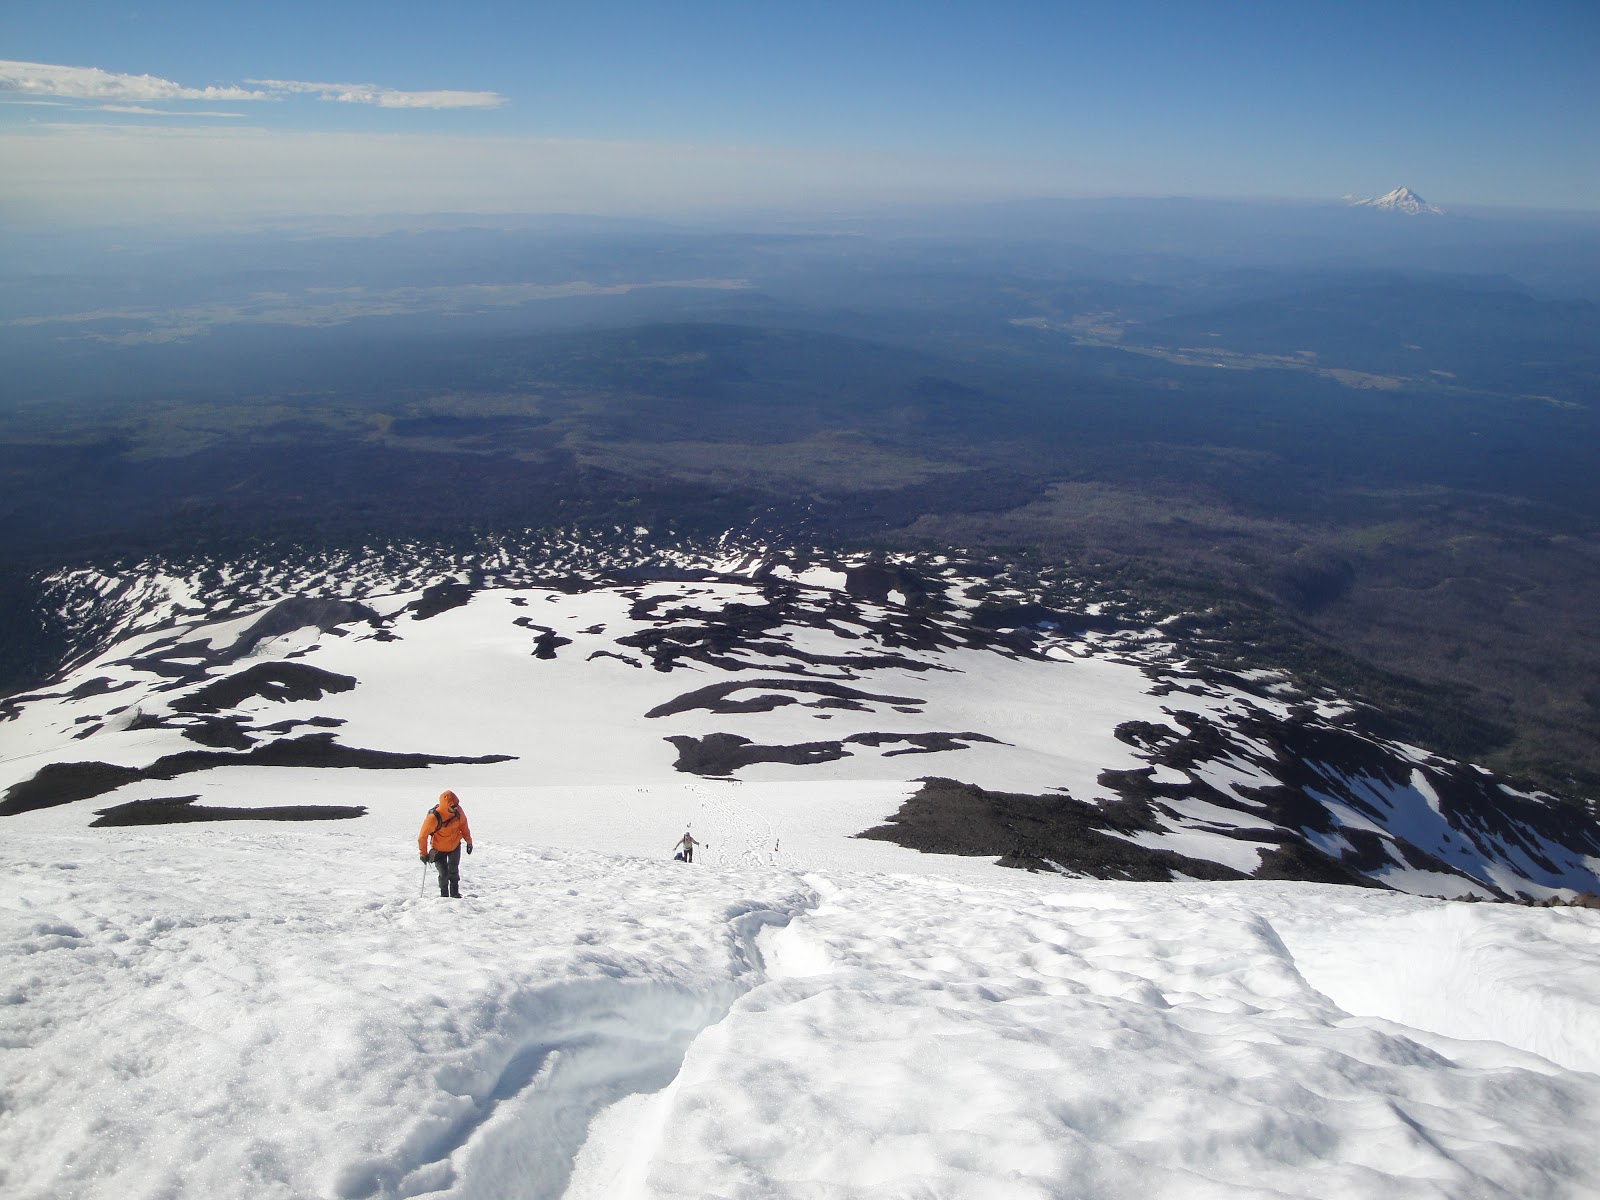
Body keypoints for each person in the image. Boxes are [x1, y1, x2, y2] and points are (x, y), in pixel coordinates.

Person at [419, 789, 473, 898]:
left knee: (453, 871)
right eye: (453, 806)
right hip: (438, 849)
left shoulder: (458, 811)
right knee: (444, 874)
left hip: (454, 846)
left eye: (457, 805)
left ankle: (455, 894)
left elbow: (464, 826)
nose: (456, 808)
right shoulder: (433, 818)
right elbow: (422, 837)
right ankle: (444, 896)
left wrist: (469, 841)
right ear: (445, 805)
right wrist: (423, 853)